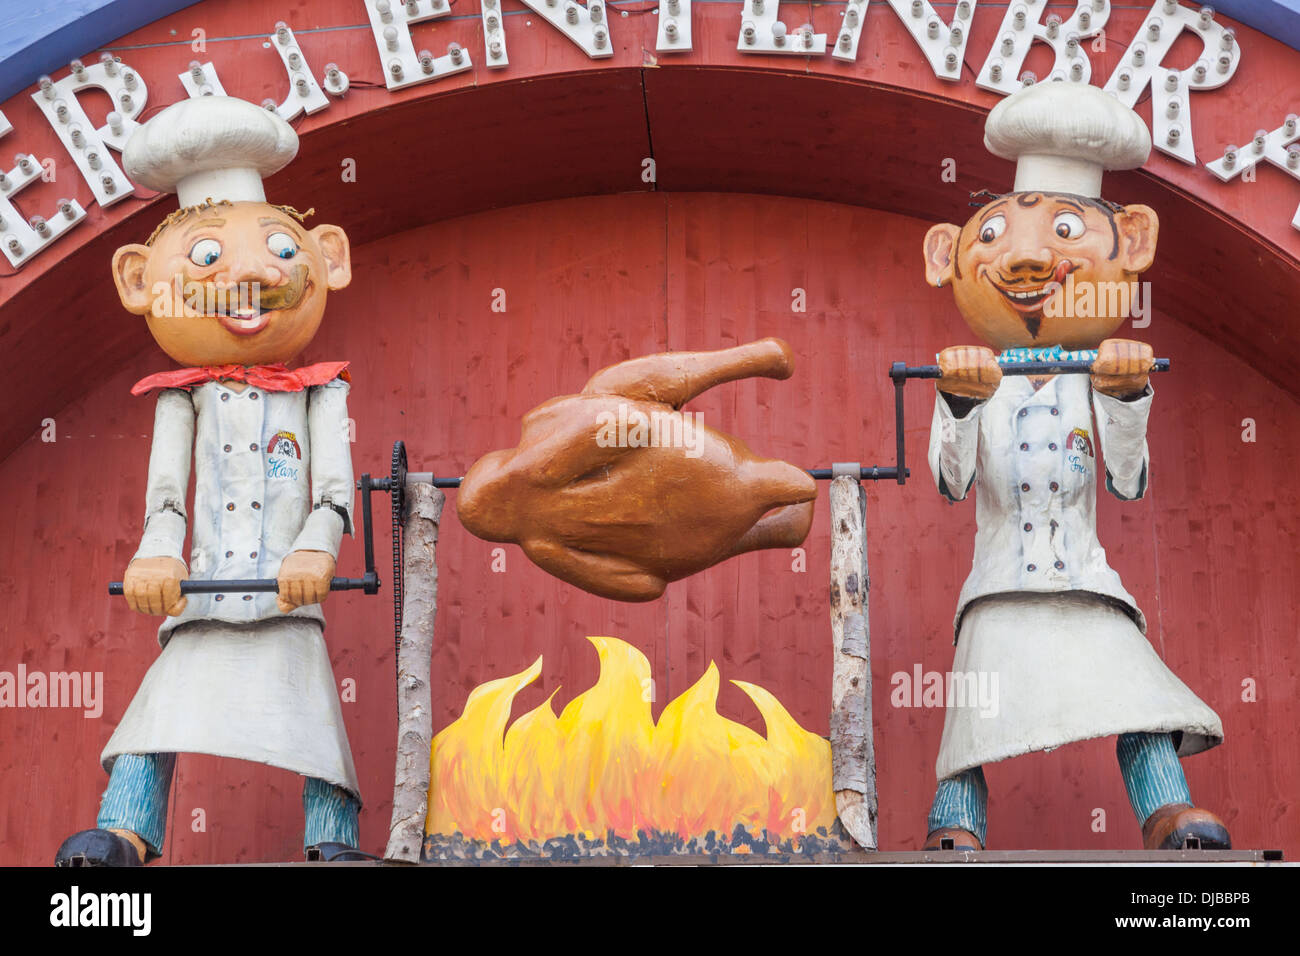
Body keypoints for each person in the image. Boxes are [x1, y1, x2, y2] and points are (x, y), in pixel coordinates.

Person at [56, 96, 366, 866]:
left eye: (280, 251)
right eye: (205, 258)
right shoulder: (179, 400)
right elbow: (167, 501)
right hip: (201, 598)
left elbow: (333, 494)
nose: (253, 274)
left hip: (288, 600)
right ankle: (125, 835)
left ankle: (331, 842)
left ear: (328, 255)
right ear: (139, 280)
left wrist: (316, 550)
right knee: (158, 717)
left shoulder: (320, 392)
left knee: (315, 725)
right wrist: (159, 555)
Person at [920, 82, 1228, 852]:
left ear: (1132, 242)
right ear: (944, 256)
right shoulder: (975, 377)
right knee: (975, 712)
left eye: (1064, 232)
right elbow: (952, 482)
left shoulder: (1100, 377)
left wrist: (1127, 394)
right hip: (997, 585)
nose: (1026, 258)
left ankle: (1167, 812)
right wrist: (958, 403)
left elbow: (1127, 477)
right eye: (992, 236)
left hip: (1085, 581)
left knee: (1136, 699)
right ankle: (953, 826)